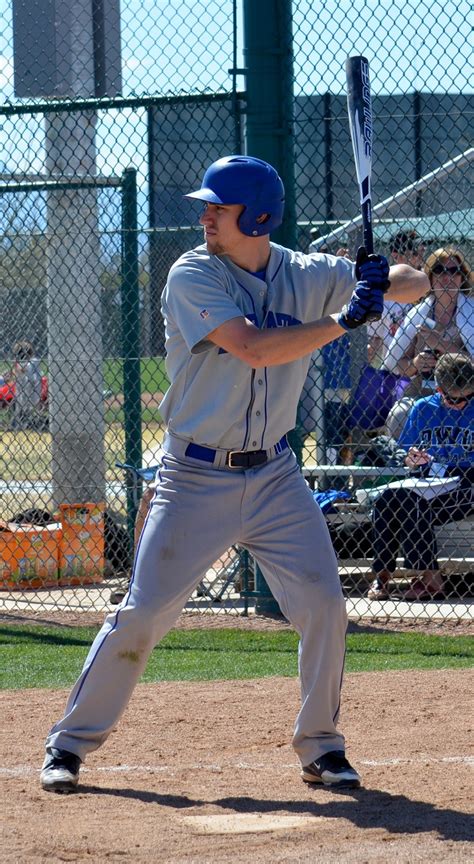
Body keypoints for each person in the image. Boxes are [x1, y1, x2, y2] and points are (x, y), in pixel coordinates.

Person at [40, 155, 429, 794]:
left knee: (325, 603)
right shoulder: (192, 274)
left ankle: (322, 747)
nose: (205, 217)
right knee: (140, 615)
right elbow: (250, 346)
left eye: (217, 209)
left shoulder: (305, 272)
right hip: (195, 478)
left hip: (276, 475)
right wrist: (343, 320)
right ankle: (70, 743)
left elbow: (413, 282)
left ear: (256, 217)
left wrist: (379, 276)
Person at [367, 353, 474, 601]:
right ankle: (382, 576)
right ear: (438, 389)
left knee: (412, 503)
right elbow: (405, 450)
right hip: (427, 480)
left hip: (467, 481)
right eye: (451, 398)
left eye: (468, 397)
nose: (460, 404)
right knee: (389, 499)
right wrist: (410, 457)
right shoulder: (422, 408)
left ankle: (430, 578)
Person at [382, 246, 473, 439]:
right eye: (439, 271)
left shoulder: (471, 314)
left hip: (466, 395)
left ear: (462, 278)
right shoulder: (418, 315)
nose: (447, 277)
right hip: (423, 391)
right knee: (399, 415)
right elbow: (395, 363)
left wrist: (440, 343)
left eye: (454, 271)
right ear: (429, 278)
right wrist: (415, 364)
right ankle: (409, 464)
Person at [366, 230, 425, 367]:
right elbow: (376, 337)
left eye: (422, 252)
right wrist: (366, 352)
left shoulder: (432, 281)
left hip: (427, 368)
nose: (420, 258)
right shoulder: (384, 291)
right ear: (396, 256)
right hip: (396, 371)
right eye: (415, 253)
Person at [9, 340, 44, 430]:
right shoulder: (19, 363)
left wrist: (17, 367)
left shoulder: (33, 362)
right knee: (19, 405)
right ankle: (21, 423)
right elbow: (15, 375)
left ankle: (32, 422)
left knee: (26, 406)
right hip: (24, 392)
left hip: (32, 390)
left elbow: (28, 373)